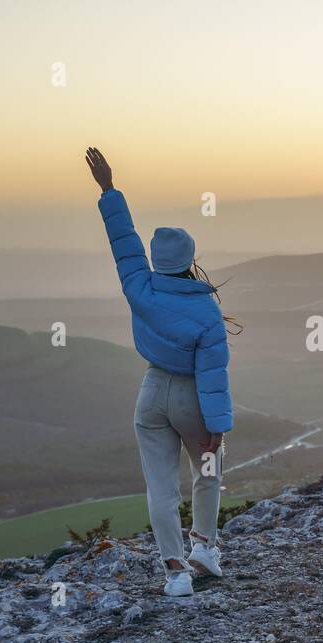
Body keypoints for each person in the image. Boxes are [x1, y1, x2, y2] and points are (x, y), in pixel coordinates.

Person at [85, 147, 235, 597]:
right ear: (190, 259)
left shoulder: (140, 286)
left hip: (151, 394)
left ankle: (175, 575)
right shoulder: (207, 311)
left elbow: (123, 242)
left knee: (161, 487)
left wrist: (109, 189)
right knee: (207, 471)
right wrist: (218, 428)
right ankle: (204, 548)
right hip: (192, 397)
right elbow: (213, 375)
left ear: (156, 259)